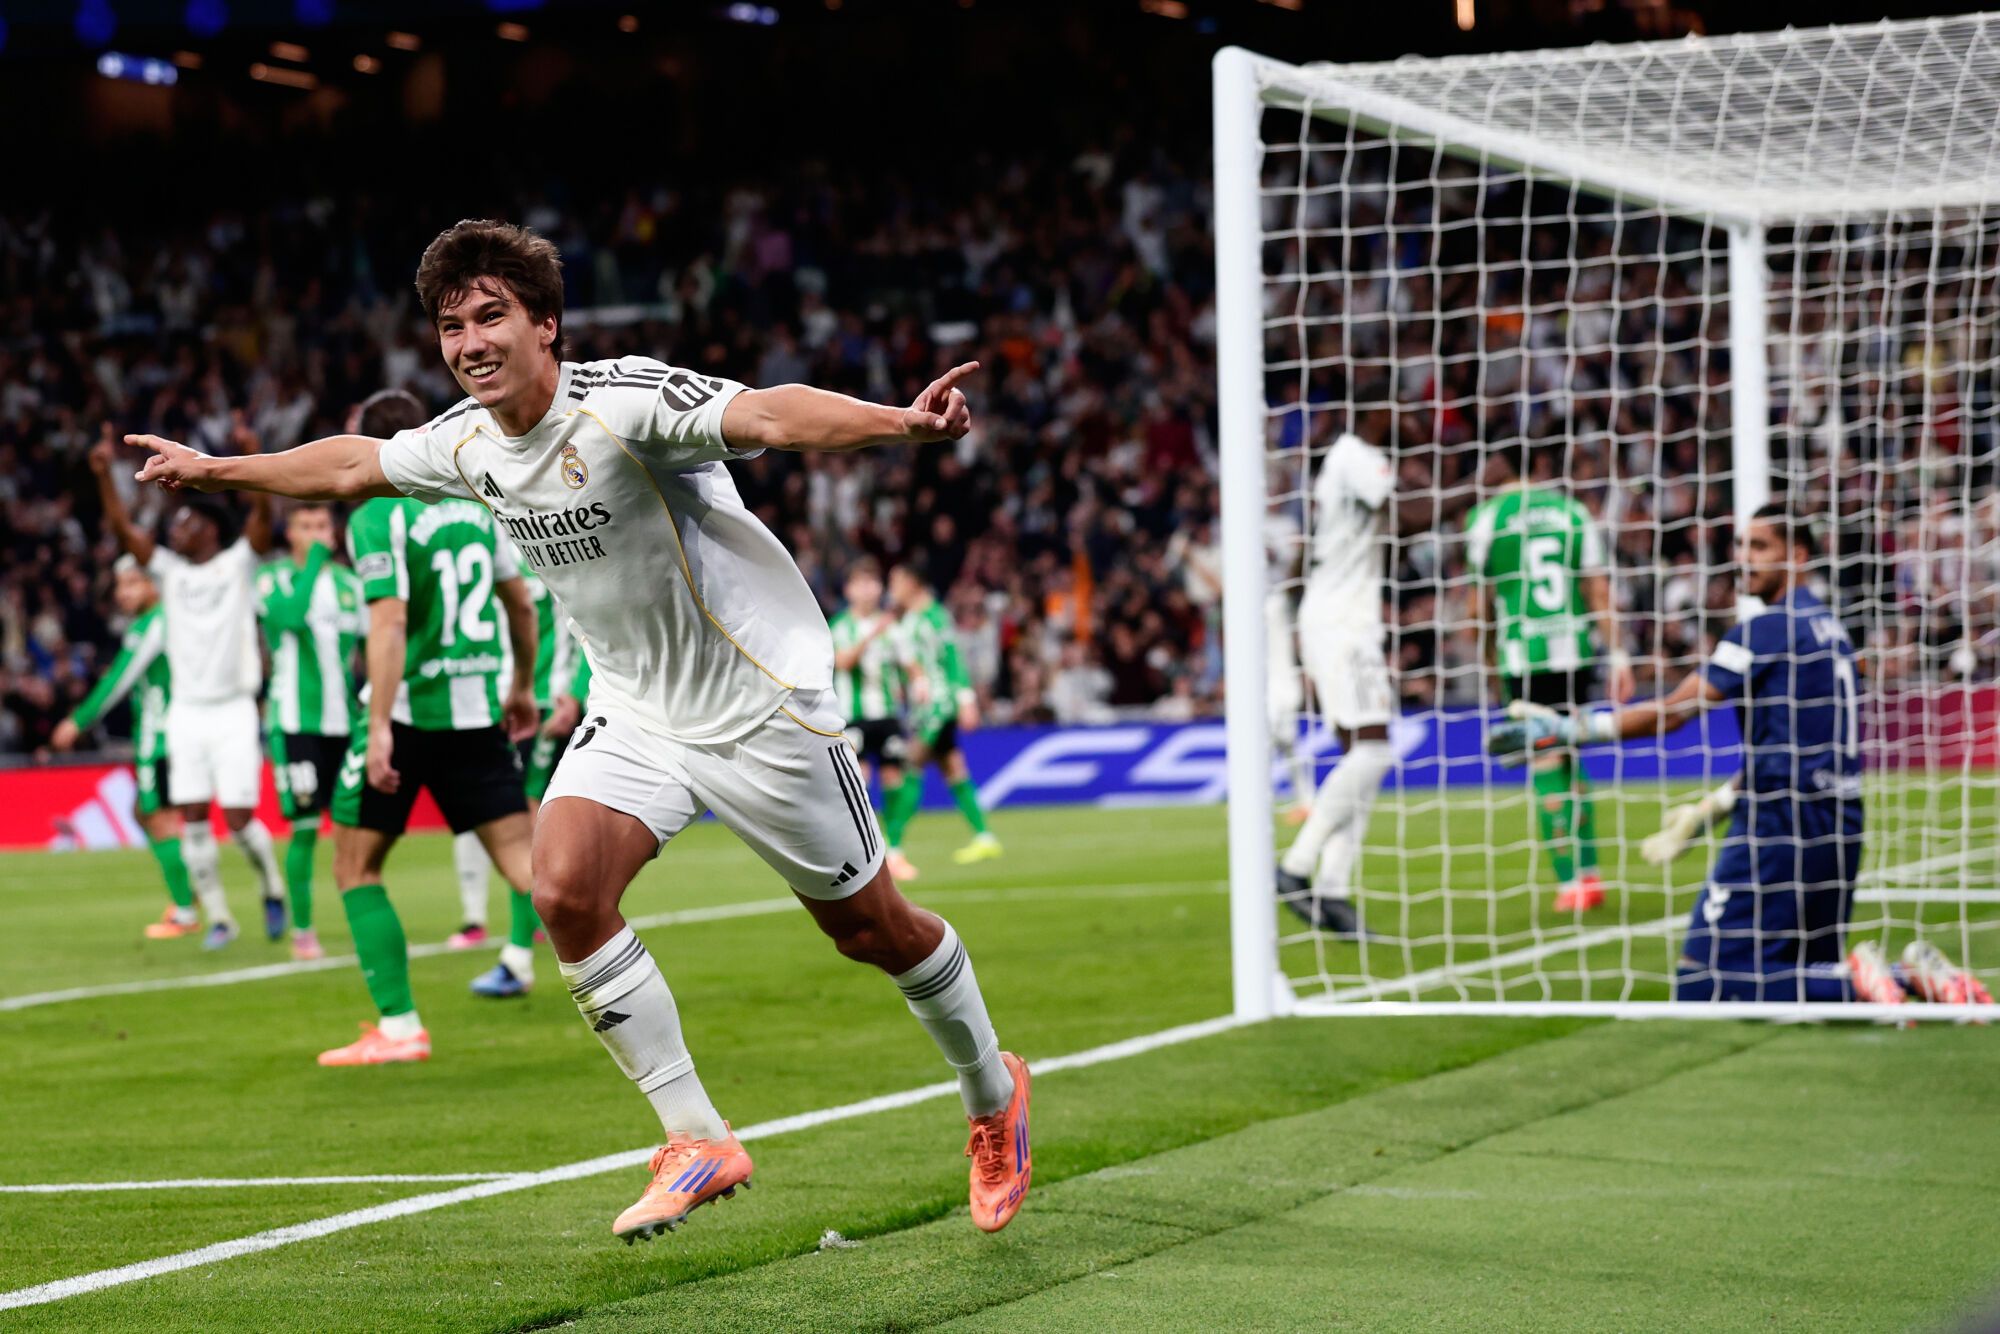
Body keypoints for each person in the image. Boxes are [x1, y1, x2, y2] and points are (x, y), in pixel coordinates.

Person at [124, 219, 1032, 1241]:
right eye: (450, 324)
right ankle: (696, 1136)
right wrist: (216, 469)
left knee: (872, 929)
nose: (469, 341)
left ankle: (990, 1090)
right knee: (560, 888)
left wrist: (898, 424)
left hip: (758, 703)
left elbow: (769, 413)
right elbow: (353, 465)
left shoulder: (625, 401)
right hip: (636, 709)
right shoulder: (465, 439)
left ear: (545, 324)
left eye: (491, 316)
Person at [1490, 503, 1991, 1008]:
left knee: (1702, 983)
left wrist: (1571, 728)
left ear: (1796, 556)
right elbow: (1793, 745)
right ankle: (1912, 977)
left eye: (1760, 547)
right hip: (1840, 822)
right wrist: (1708, 813)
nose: (1744, 559)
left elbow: (1675, 712)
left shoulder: (1766, 629)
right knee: (1802, 972)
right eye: (1741, 546)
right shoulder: (1831, 631)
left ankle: (1862, 979)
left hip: (1778, 825)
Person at [313, 386, 544, 1061]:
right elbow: (521, 607)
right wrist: (521, 685)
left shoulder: (375, 513)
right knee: (531, 869)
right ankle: (615, 980)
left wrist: (379, 724)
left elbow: (386, 624)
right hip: (478, 713)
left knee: (356, 867)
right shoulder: (476, 506)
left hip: (410, 712)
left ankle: (399, 1026)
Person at [91, 421, 288, 949]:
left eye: (183, 521)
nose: (173, 530)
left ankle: (272, 886)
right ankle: (222, 918)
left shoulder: (236, 564)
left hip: (233, 710)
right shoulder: (171, 575)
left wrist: (254, 458)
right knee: (194, 819)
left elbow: (263, 519)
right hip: (187, 712)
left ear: (206, 527)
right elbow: (122, 532)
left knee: (242, 820)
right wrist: (103, 478)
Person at [1464, 445, 1632, 913]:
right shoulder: (1571, 512)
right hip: (1575, 652)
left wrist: (1489, 664)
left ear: (1498, 467)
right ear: (1540, 466)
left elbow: (1479, 608)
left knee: (1543, 762)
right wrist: (1619, 656)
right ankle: (1591, 872)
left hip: (1523, 658)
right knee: (1570, 752)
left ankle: (1569, 883)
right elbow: (1597, 589)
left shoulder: (1485, 520)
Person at [1275, 412, 1397, 937]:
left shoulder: (1342, 462)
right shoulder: (1356, 457)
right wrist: (1474, 489)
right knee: (1374, 748)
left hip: (1338, 616)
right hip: (1343, 621)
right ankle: (1297, 868)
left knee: (1361, 756)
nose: (1414, 428)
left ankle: (1334, 889)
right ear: (1380, 413)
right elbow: (1404, 515)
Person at [49, 556, 200, 939]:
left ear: (153, 584)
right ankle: (189, 890)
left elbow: (119, 677)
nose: (123, 593)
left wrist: (78, 720)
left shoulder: (155, 624)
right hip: (170, 730)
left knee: (160, 817)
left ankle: (184, 910)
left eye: (132, 583)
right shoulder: (162, 620)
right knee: (143, 812)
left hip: (160, 734)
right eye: (120, 585)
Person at [257, 502, 366, 961]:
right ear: (290, 534)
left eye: (323, 526)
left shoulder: (351, 585)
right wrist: (318, 560)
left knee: (354, 829)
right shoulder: (272, 579)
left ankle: (360, 920)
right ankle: (303, 930)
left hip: (345, 723)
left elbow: (371, 645)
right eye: (306, 526)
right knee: (304, 828)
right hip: (295, 722)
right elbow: (287, 619)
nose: (317, 534)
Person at [886, 561, 1002, 867]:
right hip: (924, 706)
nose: (891, 589)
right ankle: (984, 837)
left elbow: (953, 660)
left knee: (911, 763)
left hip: (939, 705)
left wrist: (966, 700)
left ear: (913, 583)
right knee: (953, 768)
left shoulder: (935, 617)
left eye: (895, 581)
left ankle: (893, 848)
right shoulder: (910, 619)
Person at [830, 557, 920, 881]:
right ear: (849, 590)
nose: (867, 590)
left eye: (872, 583)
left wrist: (919, 685)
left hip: (888, 716)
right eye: (860, 584)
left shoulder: (891, 627)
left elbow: (910, 666)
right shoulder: (840, 626)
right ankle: (865, 855)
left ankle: (896, 852)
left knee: (895, 778)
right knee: (859, 780)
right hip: (853, 717)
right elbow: (842, 663)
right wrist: (871, 635)